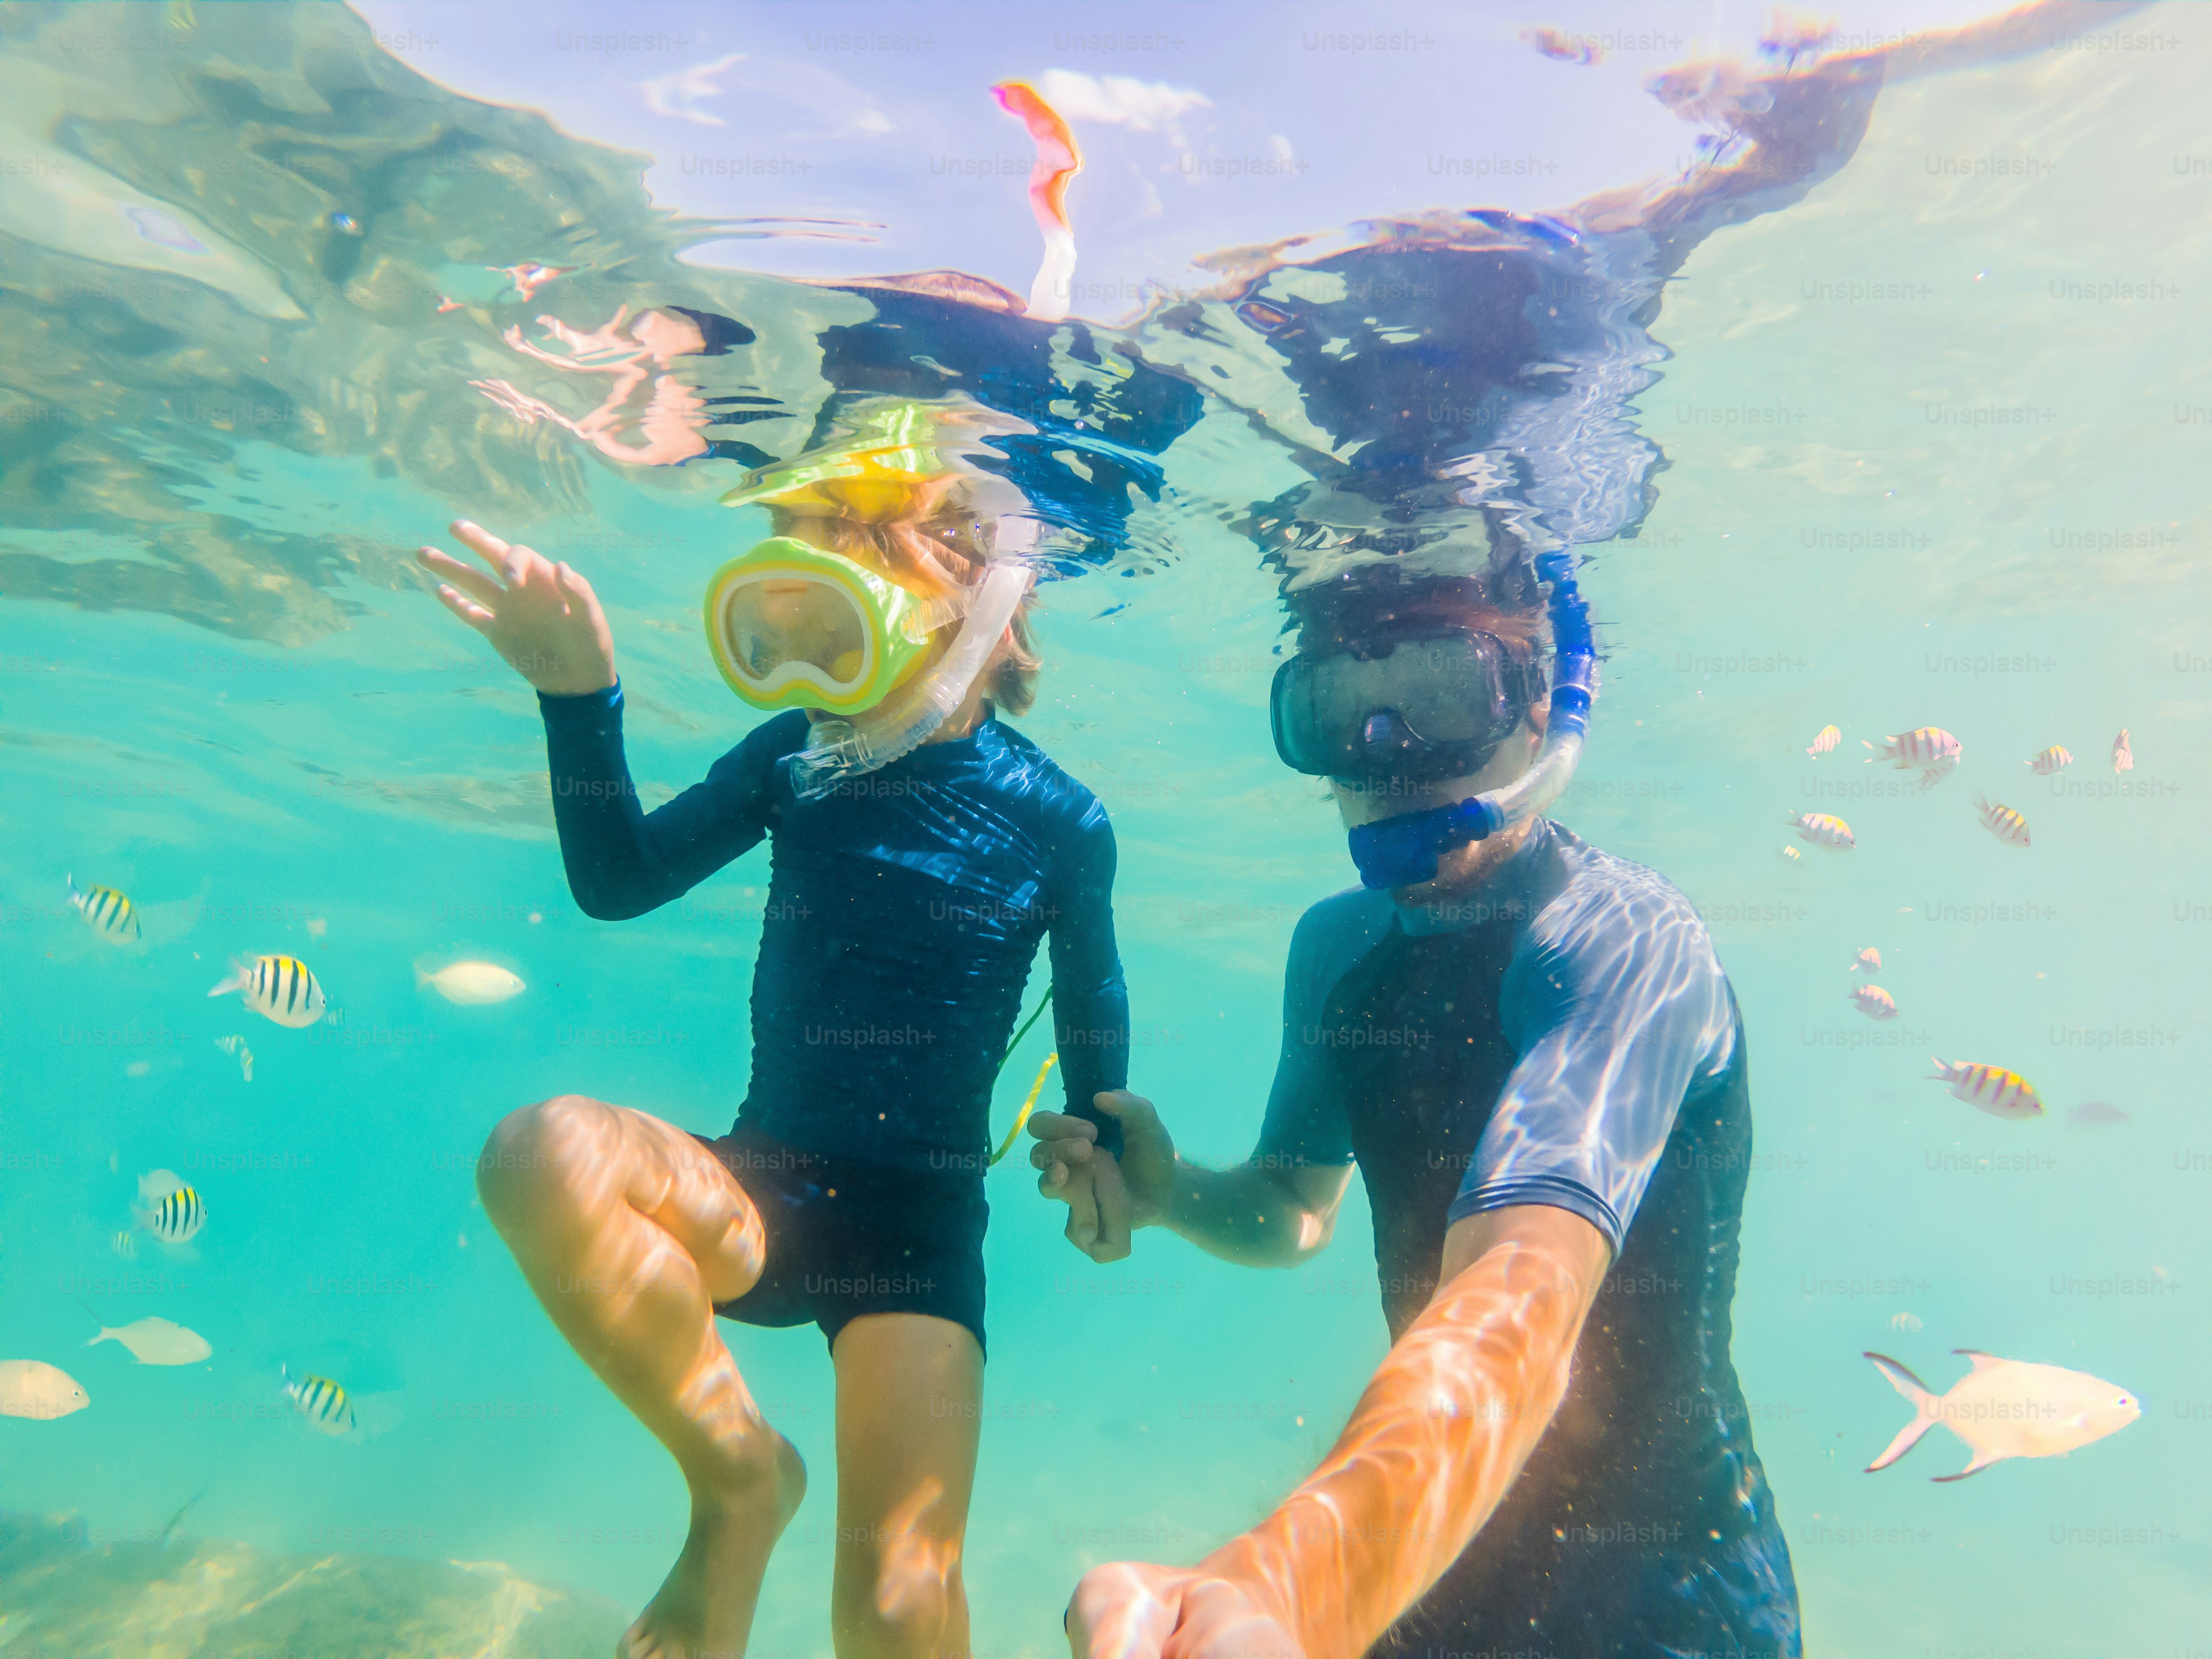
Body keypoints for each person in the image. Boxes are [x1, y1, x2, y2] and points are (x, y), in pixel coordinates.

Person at [417, 401, 1131, 1659]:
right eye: (789, 578)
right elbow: (618, 880)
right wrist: (580, 699)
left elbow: (1092, 1009)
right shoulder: (792, 755)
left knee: (900, 1612)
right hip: (761, 1193)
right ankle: (739, 1480)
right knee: (543, 1152)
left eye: (842, 565)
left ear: (975, 593)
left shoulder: (1059, 816)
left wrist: (1100, 1139)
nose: (800, 629)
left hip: (913, 1240)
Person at [1029, 568, 1800, 1659]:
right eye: (1337, 712)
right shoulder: (1337, 951)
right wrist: (1175, 1195)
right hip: (1429, 1568)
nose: (1386, 754)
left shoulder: (1624, 941)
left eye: (1443, 696)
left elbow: (1517, 1300)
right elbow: (1294, 1204)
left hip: (1665, 1596)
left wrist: (1284, 1589)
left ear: (1543, 702)